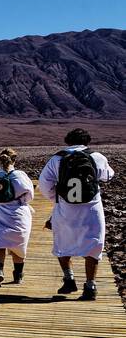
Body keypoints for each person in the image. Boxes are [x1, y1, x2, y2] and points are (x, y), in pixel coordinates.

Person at [37, 128, 115, 300]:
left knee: (63, 242)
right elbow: (109, 176)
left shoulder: (57, 158)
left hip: (65, 209)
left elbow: (44, 184)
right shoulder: (97, 157)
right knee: (93, 244)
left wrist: (56, 198)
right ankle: (90, 286)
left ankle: (68, 279)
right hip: (92, 208)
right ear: (87, 141)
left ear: (68, 141)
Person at [0, 148, 33, 289]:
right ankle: (18, 274)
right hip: (18, 213)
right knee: (18, 244)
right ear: (14, 160)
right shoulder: (20, 176)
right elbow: (29, 196)